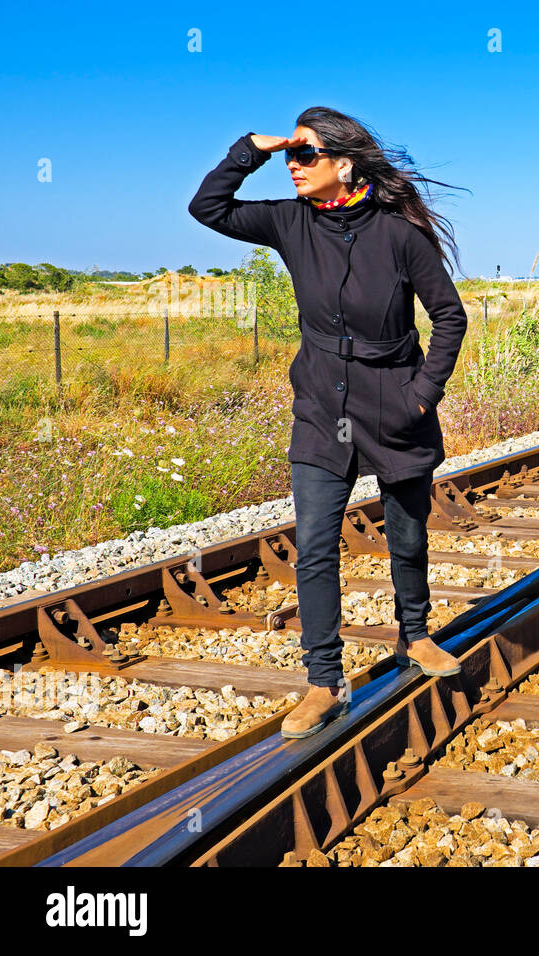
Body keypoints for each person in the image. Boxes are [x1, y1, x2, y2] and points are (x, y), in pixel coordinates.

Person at [189, 107, 469, 738]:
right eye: (291, 154)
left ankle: (415, 637)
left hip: (394, 404)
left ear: (344, 164)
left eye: (305, 154)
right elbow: (208, 208)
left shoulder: (400, 236)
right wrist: (250, 149)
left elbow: (449, 316)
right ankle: (322, 683)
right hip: (320, 408)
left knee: (408, 534)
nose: (294, 164)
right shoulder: (289, 222)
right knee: (314, 546)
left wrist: (422, 395)